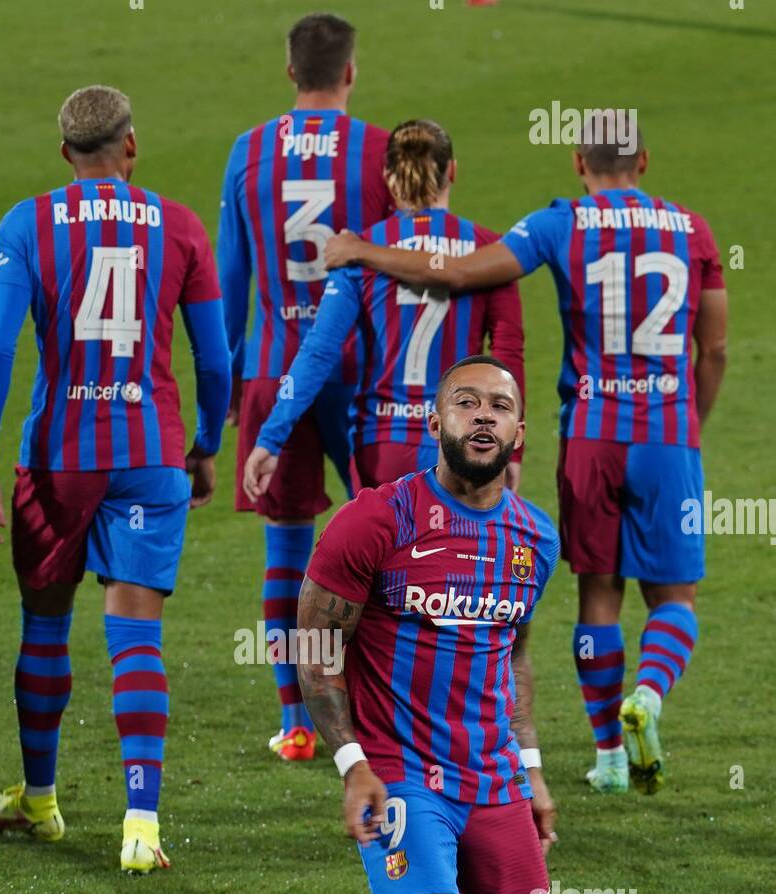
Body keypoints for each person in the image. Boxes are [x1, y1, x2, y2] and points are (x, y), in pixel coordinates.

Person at [325, 123, 727, 793]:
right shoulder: (692, 228)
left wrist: (361, 249)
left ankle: (605, 759)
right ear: (644, 161)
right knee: (674, 596)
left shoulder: (558, 222)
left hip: (592, 432)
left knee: (597, 590)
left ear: (577, 163)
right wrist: (689, 423)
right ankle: (648, 696)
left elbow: (452, 272)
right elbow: (711, 350)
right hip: (666, 433)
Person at [296, 356, 559, 894]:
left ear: (517, 434)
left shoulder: (533, 538)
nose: (482, 418)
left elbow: (512, 652)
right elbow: (314, 645)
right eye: (465, 403)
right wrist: (349, 762)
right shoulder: (374, 521)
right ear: (435, 421)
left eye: (499, 407)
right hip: (401, 775)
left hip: (491, 781)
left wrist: (528, 767)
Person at [0, 85, 229, 872]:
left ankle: (41, 802)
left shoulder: (27, 223)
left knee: (44, 626)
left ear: (65, 156)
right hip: (151, 457)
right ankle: (140, 826)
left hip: (57, 461)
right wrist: (206, 444)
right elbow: (215, 359)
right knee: (136, 635)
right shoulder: (180, 226)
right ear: (132, 145)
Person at [217, 12, 390, 762]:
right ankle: (380, 706)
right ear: (350, 71)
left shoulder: (248, 150)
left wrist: (224, 393)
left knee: (284, 551)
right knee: (385, 543)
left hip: (267, 367)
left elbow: (228, 284)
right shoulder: (381, 150)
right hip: (360, 374)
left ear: (290, 72)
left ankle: (294, 721)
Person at [243, 119, 524, 508]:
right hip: (460, 443)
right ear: (453, 171)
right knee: (455, 564)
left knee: (384, 567)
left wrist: (271, 436)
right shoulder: (490, 252)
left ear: (388, 178)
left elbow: (319, 351)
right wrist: (512, 447)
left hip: (382, 445)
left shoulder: (357, 252)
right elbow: (509, 355)